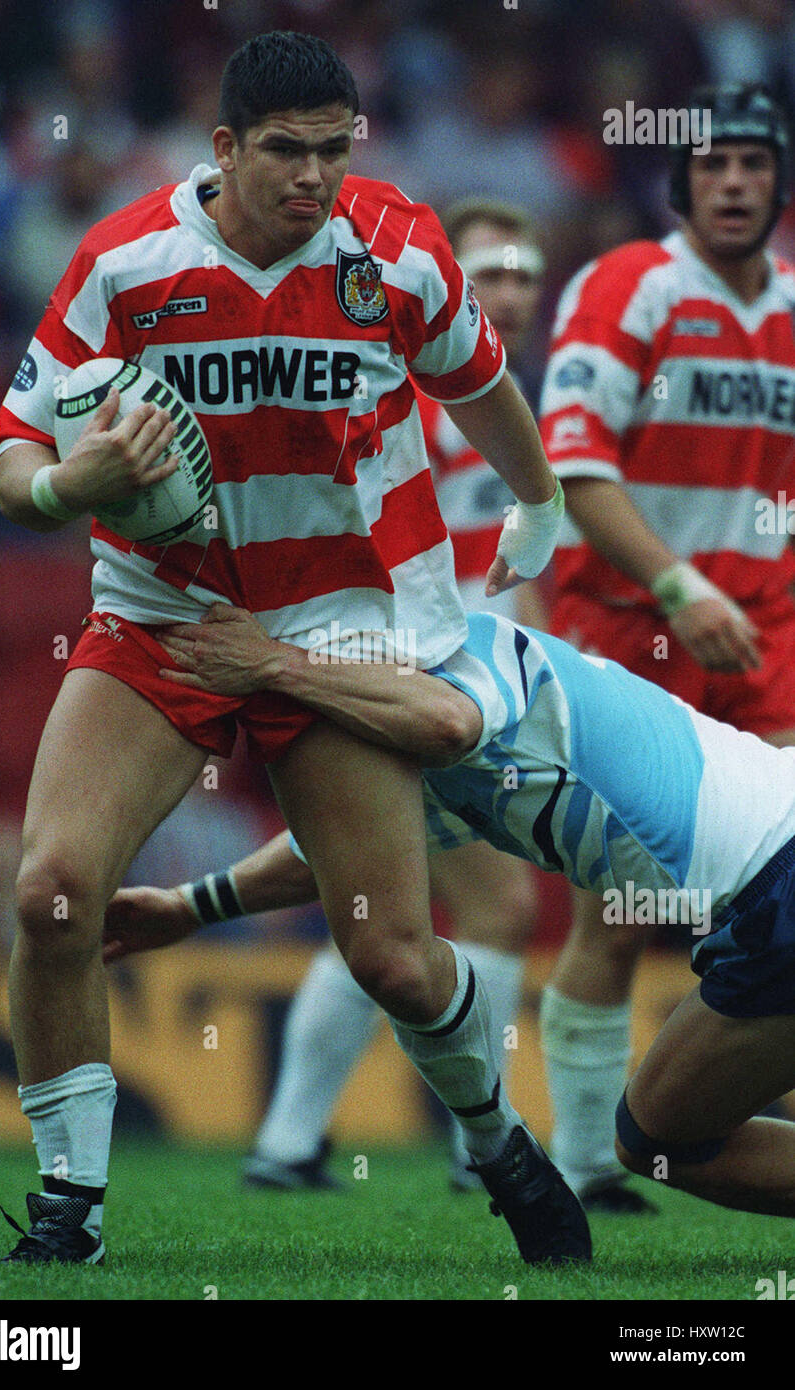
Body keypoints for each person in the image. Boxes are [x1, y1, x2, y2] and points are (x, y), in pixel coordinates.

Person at [0, 31, 572, 1265]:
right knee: (48, 896)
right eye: (283, 152)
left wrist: (540, 502)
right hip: (161, 616)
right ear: (222, 148)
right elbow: (11, 457)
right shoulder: (124, 261)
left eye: (330, 149)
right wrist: (66, 483)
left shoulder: (397, 248)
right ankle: (67, 1212)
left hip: (339, 623)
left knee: (398, 963)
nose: (312, 178)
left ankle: (496, 1142)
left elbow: (480, 382)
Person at [106, 599, 795, 1224]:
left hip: (779, 877)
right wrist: (187, 907)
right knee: (658, 1135)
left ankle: (287, 1146)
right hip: (768, 902)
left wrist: (273, 666)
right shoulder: (439, 762)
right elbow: (327, 855)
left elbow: (448, 719)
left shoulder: (470, 648)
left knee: (663, 1139)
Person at [239, 198, 548, 1193]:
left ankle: (287, 1145)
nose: (505, 291)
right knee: (487, 903)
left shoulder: (494, 407)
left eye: (522, 274)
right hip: (393, 666)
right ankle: (474, 1151)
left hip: (445, 674)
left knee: (383, 912)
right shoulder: (403, 391)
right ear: (443, 282)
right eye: (486, 272)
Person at [536, 82, 795, 1209]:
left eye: (751, 163)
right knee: (621, 907)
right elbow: (573, 466)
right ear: (677, 182)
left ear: (777, 180)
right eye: (711, 165)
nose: (732, 182)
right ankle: (592, 1162)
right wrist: (674, 582)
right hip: (639, 629)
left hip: (766, 635)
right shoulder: (628, 286)